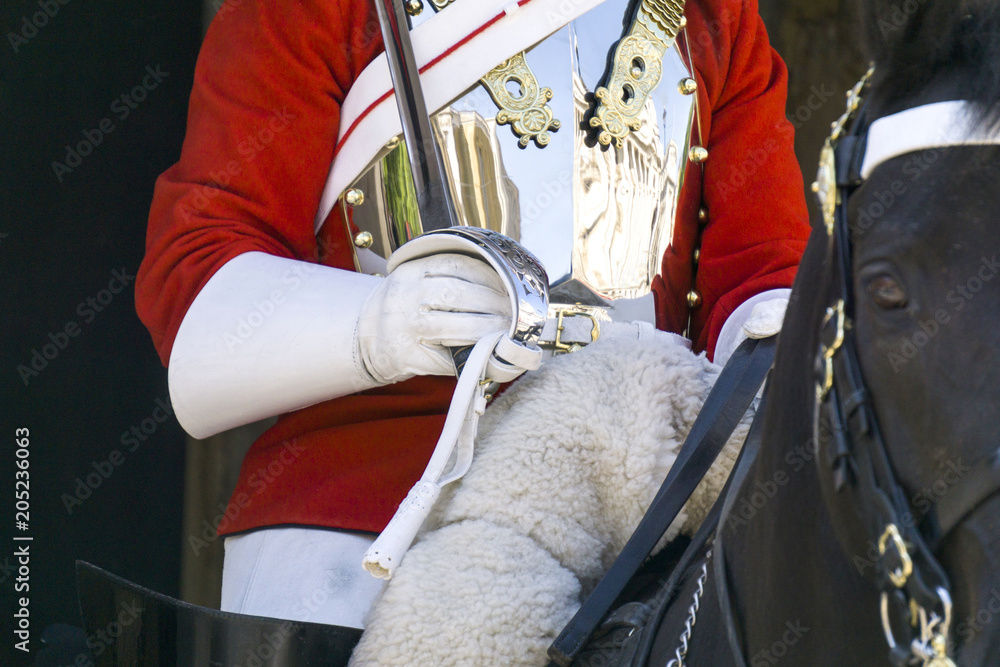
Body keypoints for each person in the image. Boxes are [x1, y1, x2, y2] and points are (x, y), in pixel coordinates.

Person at [136, 0, 809, 631]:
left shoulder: (713, 15)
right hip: (376, 502)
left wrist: (781, 348)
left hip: (635, 500)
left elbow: (767, 271)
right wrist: (384, 324)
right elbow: (197, 277)